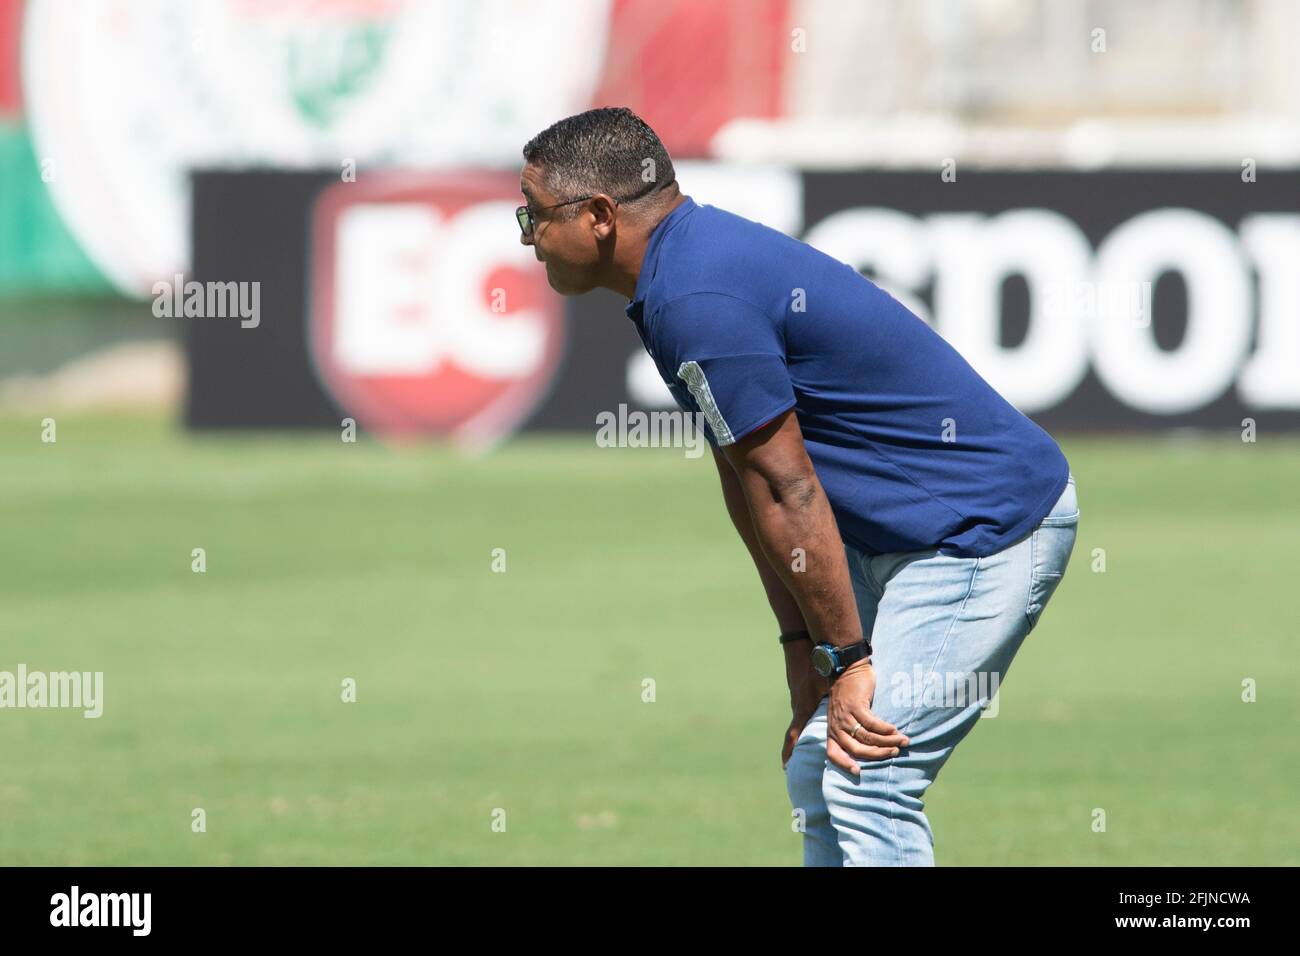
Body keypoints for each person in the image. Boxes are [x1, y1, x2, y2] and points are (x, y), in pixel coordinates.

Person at [517, 106, 1079, 866]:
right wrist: (805, 654)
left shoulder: (695, 299)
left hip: (980, 532)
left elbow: (790, 490)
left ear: (600, 216)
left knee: (867, 775)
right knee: (818, 767)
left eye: (535, 215)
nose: (527, 236)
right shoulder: (680, 272)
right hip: (895, 540)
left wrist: (846, 660)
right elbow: (749, 482)